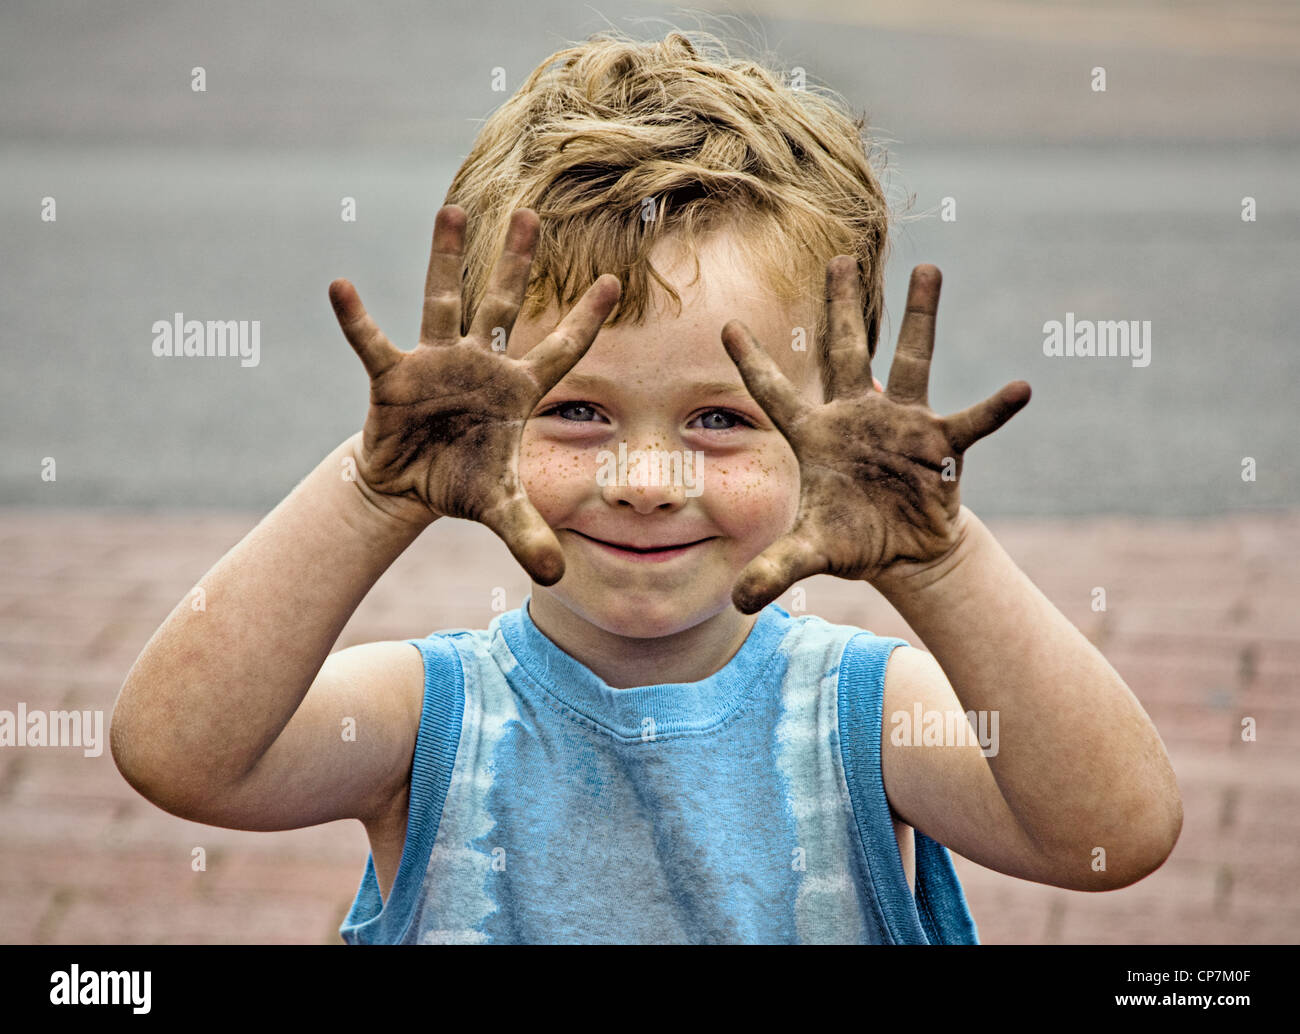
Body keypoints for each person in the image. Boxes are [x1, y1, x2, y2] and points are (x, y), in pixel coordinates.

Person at [109, 28, 1182, 944]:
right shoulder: (429, 718)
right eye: (575, 409)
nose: (645, 481)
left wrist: (941, 561)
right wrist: (374, 489)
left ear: (821, 431)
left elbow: (1113, 834)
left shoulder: (860, 720)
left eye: (722, 419)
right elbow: (178, 755)